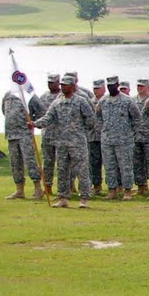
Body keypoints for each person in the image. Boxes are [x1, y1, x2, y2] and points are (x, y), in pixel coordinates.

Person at [31, 73, 97, 209]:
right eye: (62, 85)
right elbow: (48, 117)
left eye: (66, 85)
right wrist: (35, 124)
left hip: (77, 142)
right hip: (61, 142)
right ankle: (63, 197)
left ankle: (84, 198)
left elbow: (91, 119)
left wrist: (80, 131)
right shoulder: (57, 102)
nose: (63, 87)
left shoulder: (81, 101)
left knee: (81, 170)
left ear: (72, 86)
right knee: (62, 170)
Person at [97, 76, 142, 200]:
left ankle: (127, 191)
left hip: (124, 140)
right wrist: (103, 130)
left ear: (117, 85)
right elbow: (98, 117)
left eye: (113, 85)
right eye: (109, 85)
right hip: (107, 140)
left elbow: (137, 118)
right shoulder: (103, 101)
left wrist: (132, 133)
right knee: (109, 166)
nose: (111, 87)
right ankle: (112, 190)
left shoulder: (127, 101)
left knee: (125, 166)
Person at [1, 73, 40, 200]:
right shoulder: (7, 96)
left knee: (30, 162)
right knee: (15, 163)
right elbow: (4, 111)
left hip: (25, 134)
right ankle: (19, 190)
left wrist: (34, 123)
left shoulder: (29, 95)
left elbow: (42, 113)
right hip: (11, 135)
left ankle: (38, 188)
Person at [32, 73, 61, 198]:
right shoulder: (43, 97)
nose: (50, 85)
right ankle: (47, 187)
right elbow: (39, 114)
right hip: (47, 134)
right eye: (49, 82)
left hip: (61, 135)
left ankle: (67, 188)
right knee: (47, 162)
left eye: (53, 82)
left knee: (63, 163)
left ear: (58, 83)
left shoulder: (62, 96)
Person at [132, 79, 149, 197]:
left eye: (142, 86)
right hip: (136, 136)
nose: (140, 88)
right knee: (137, 163)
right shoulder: (132, 100)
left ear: (147, 87)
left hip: (148, 136)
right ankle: (141, 186)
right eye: (138, 86)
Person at [86, 79, 107, 193]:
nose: (96, 90)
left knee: (109, 163)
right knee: (93, 163)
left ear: (104, 89)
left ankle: (115, 186)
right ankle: (96, 185)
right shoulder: (89, 102)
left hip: (106, 136)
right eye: (94, 88)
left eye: (98, 88)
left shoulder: (107, 101)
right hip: (92, 137)